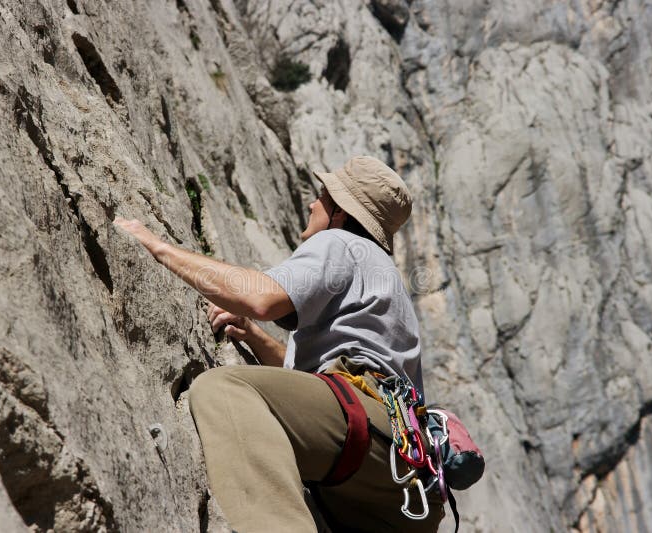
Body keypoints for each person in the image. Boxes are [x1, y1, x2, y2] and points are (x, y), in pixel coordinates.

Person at [114, 155, 444, 532]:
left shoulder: (342, 243)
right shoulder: (388, 281)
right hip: (407, 476)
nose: (312, 203)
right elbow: (314, 387)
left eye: (322, 196)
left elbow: (262, 299)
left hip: (360, 429)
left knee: (224, 389)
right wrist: (254, 337)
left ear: (340, 212)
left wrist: (158, 247)